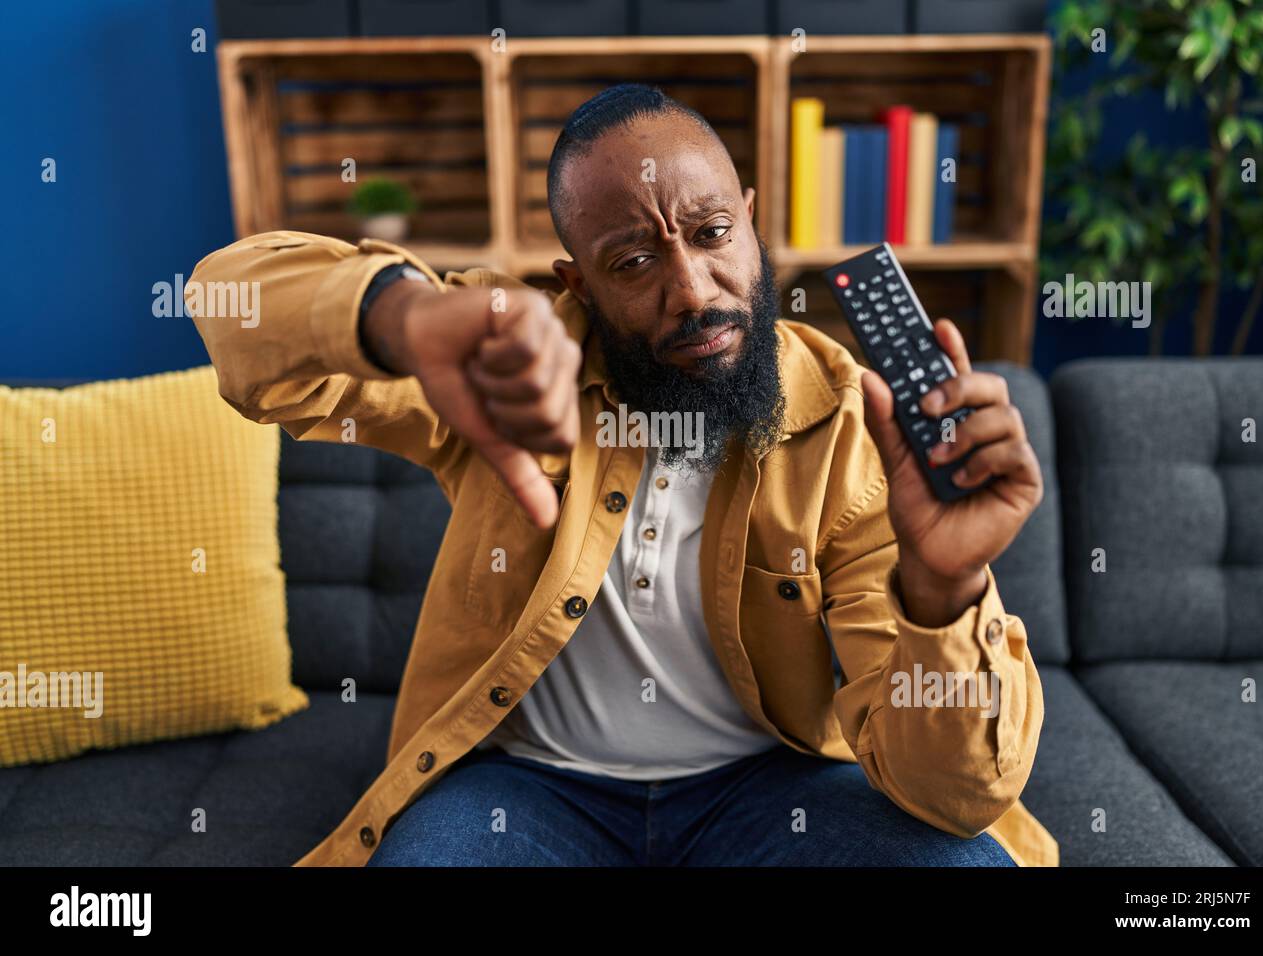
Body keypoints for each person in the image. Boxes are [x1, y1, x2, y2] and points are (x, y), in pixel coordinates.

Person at [189, 83, 1056, 867]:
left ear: (751, 222)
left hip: (766, 790)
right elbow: (229, 306)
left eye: (714, 234)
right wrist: (403, 316)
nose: (692, 290)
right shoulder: (513, 367)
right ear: (580, 284)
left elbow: (952, 795)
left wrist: (946, 585)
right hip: (528, 791)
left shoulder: (846, 429)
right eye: (634, 262)